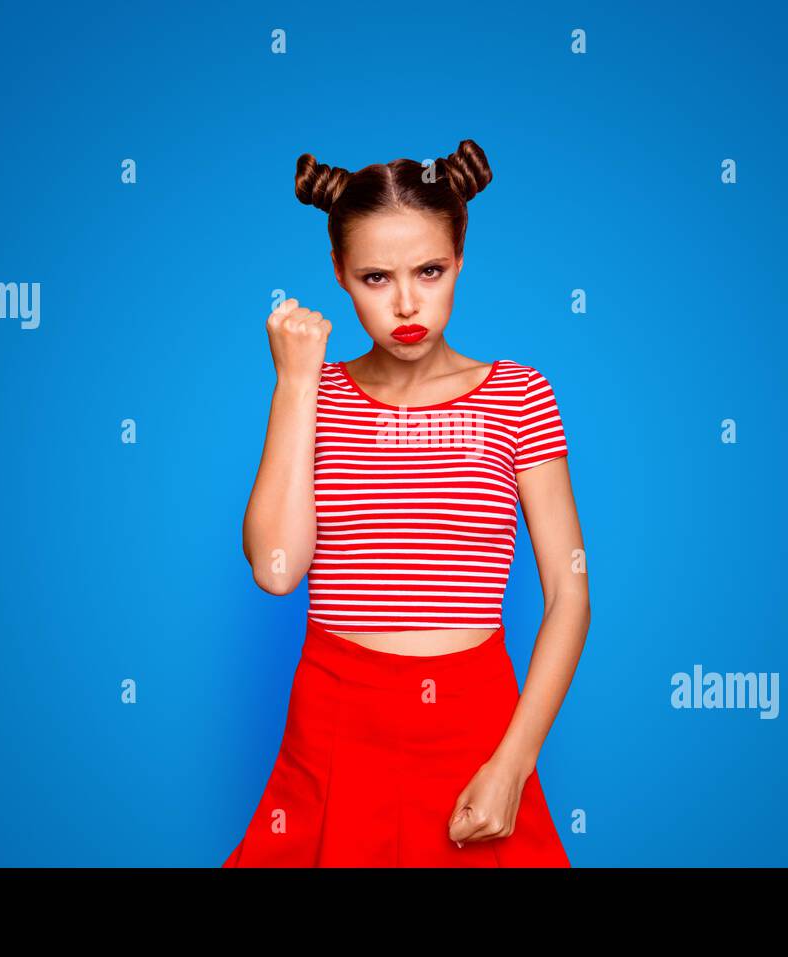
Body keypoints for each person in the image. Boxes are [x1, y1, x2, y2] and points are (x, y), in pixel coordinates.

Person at [223, 139, 590, 867]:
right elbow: (275, 568)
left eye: (429, 270)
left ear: (459, 258)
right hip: (333, 721)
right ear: (339, 275)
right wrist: (295, 384)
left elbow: (568, 598)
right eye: (374, 276)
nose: (405, 303)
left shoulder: (520, 394)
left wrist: (512, 763)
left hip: (475, 721)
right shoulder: (316, 394)